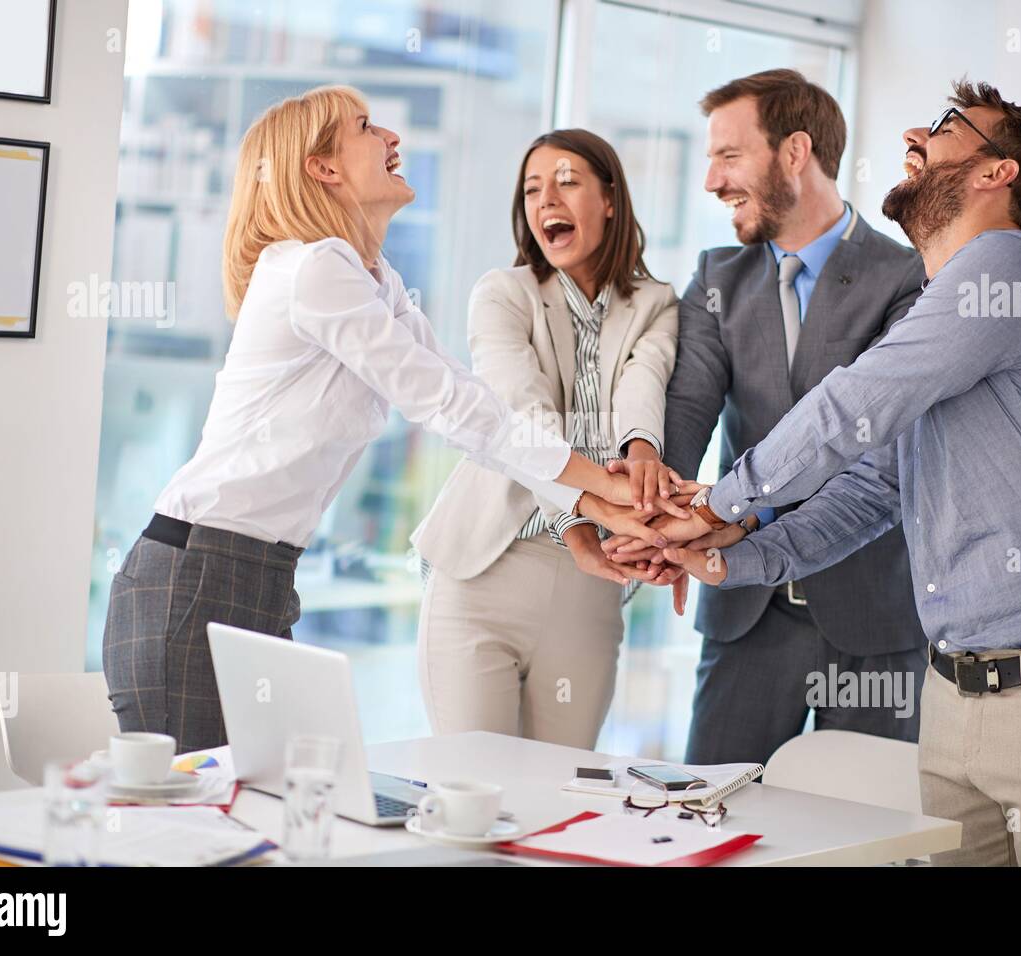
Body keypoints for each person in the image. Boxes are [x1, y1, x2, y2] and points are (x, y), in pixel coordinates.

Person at [645, 80, 1021, 866]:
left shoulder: (1013, 268)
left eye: (951, 126)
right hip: (957, 694)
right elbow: (871, 491)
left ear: (996, 174)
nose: (918, 131)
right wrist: (727, 556)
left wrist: (721, 500)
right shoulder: (941, 306)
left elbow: (856, 399)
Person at [102, 86, 653, 753]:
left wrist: (595, 499)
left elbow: (468, 399)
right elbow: (447, 406)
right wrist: (604, 490)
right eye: (366, 128)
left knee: (269, 807)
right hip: (196, 574)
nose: (393, 138)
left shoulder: (377, 282)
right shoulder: (312, 269)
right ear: (323, 168)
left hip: (258, 574)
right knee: (198, 829)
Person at [607, 70, 928, 766]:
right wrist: (654, 508)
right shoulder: (719, 276)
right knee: (710, 816)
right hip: (745, 613)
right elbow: (689, 405)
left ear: (794, 152)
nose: (712, 181)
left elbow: (875, 447)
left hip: (874, 614)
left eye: (729, 155)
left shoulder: (907, 279)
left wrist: (721, 515)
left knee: (866, 833)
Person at [412, 129, 682, 749]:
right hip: (482, 572)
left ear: (610, 199)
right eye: (533, 189)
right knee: (473, 790)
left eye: (566, 182)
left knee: (560, 791)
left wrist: (642, 453)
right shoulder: (502, 294)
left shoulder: (655, 303)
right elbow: (522, 418)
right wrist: (577, 524)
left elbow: (645, 379)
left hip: (589, 592)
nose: (545, 201)